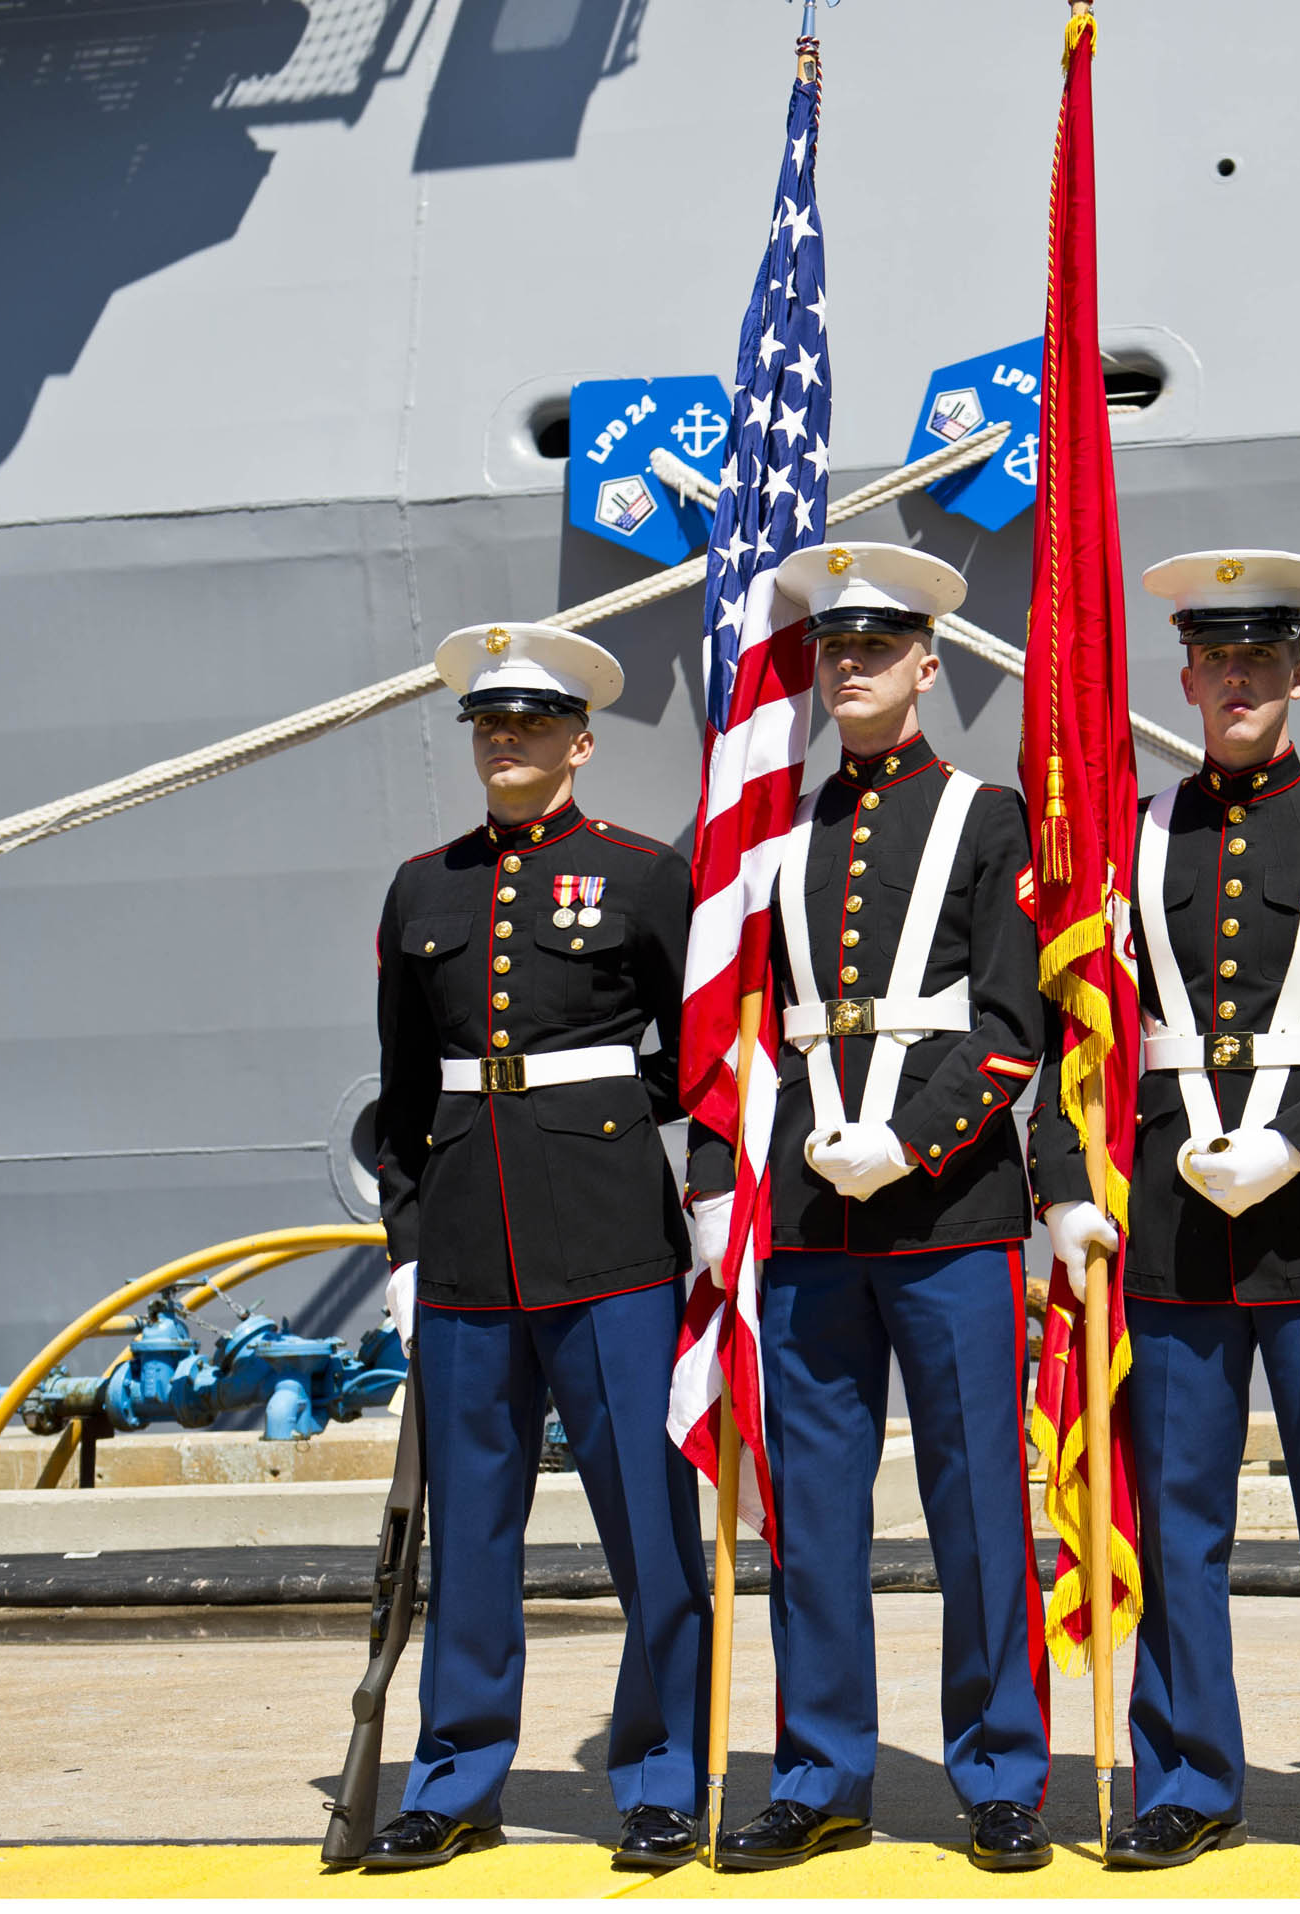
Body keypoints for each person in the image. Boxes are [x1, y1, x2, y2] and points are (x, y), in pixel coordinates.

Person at [1030, 550, 1300, 1873]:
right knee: (1179, 1524)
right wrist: (1064, 1194)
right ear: (1189, 677)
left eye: (1265, 659)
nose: (1241, 680)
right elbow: (1070, 1032)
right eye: (1219, 660)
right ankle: (1190, 1776)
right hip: (1173, 1221)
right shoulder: (1135, 836)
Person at [687, 543, 1052, 1873]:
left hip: (949, 1206)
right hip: (808, 1218)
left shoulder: (988, 816)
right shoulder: (780, 841)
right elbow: (751, 1030)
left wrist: (907, 1138)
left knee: (978, 1507)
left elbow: (1014, 1019)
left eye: (879, 645)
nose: (853, 664)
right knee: (815, 1511)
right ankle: (823, 1766)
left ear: (927, 663)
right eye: (835, 645)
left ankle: (1002, 1769)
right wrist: (731, 1180)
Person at [368, 621, 708, 1872]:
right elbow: (405, 1094)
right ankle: (455, 1777)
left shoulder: (637, 872)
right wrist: (407, 1251)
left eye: (528, 724)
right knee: (471, 1529)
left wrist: (609, 1121)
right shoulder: (423, 887)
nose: (503, 740)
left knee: (650, 1525)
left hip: (612, 1243)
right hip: (463, 1250)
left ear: (580, 739)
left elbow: (694, 1052)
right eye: (486, 724)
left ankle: (663, 1773)